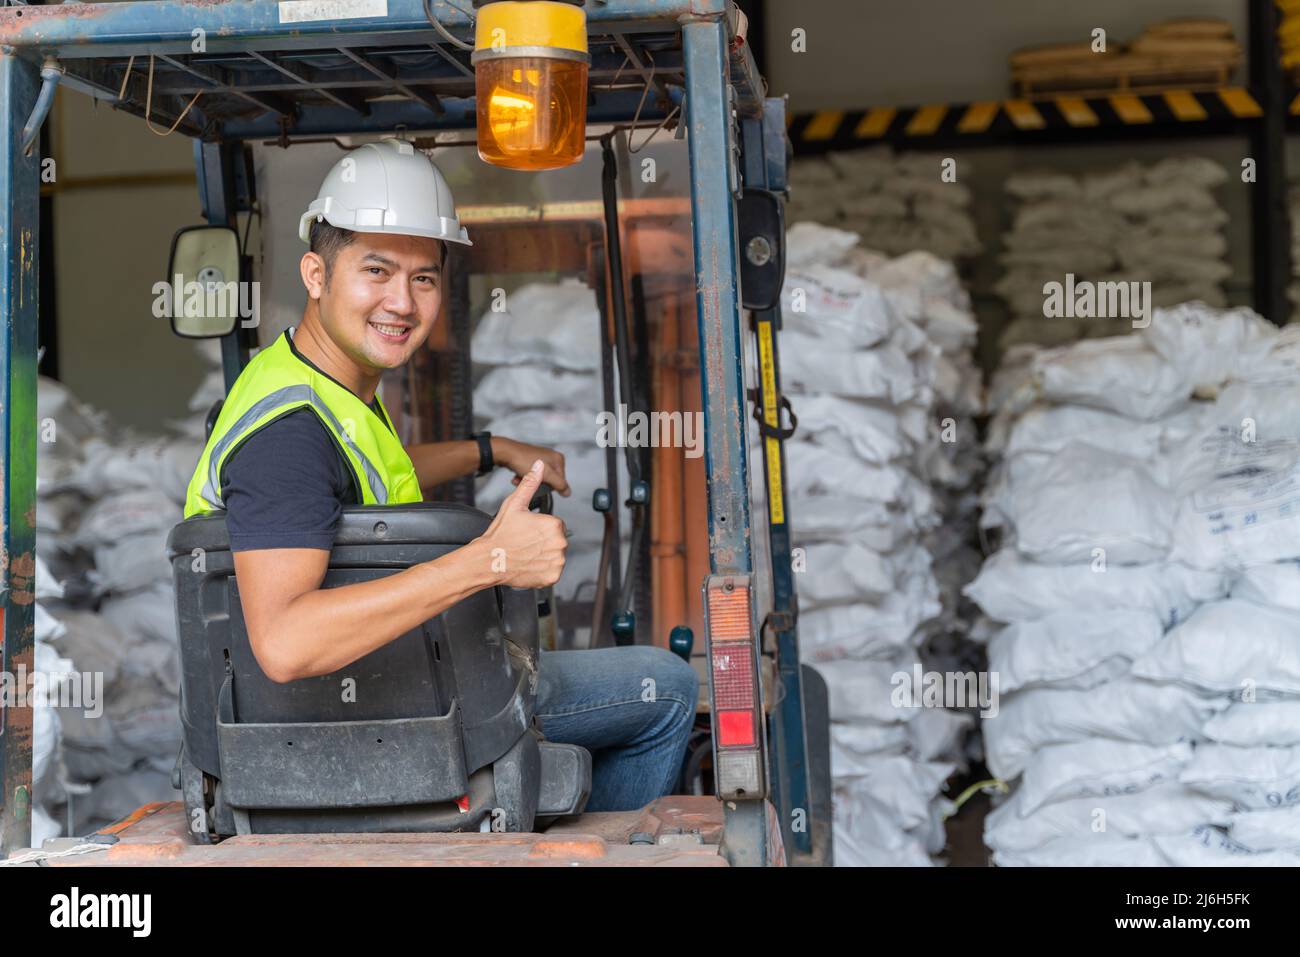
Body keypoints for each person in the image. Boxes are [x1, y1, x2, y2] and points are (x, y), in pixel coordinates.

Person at [182, 138, 697, 811]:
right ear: (315, 273)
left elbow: (356, 484)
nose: (402, 301)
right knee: (667, 687)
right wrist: (490, 561)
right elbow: (284, 643)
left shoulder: (312, 387)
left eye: (423, 277)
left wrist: (489, 449)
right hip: (369, 718)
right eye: (376, 270)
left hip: (375, 692)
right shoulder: (288, 437)